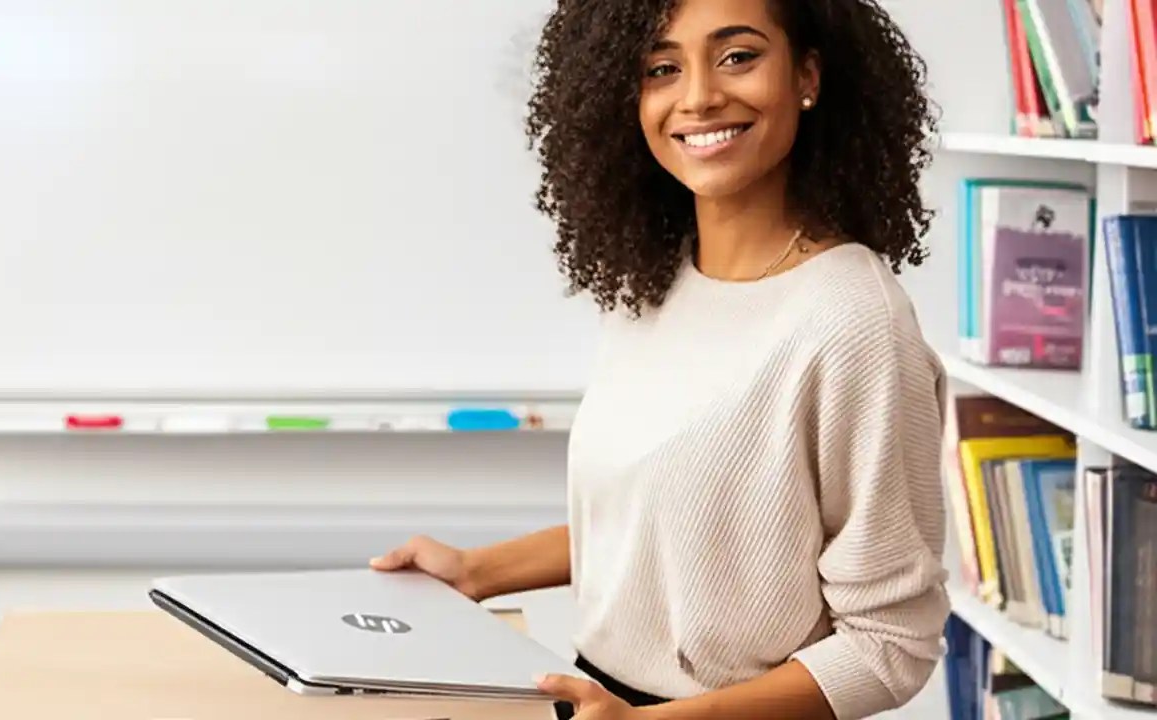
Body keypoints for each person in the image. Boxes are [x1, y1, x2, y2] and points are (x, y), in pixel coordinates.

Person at [371, 0, 950, 718]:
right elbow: (671, 528)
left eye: (738, 56)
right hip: (599, 699)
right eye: (661, 68)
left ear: (807, 75)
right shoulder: (659, 281)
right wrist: (475, 571)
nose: (699, 96)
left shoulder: (855, 321)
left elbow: (890, 648)